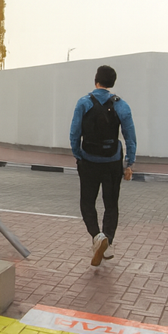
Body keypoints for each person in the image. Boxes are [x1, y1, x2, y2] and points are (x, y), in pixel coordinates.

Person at [70, 65, 136, 266]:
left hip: (89, 161)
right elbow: (129, 136)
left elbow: (74, 133)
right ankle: (108, 240)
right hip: (112, 162)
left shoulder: (83, 103)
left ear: (95, 80)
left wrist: (78, 155)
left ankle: (97, 236)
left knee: (87, 202)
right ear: (112, 83)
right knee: (111, 204)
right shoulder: (121, 105)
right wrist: (129, 163)